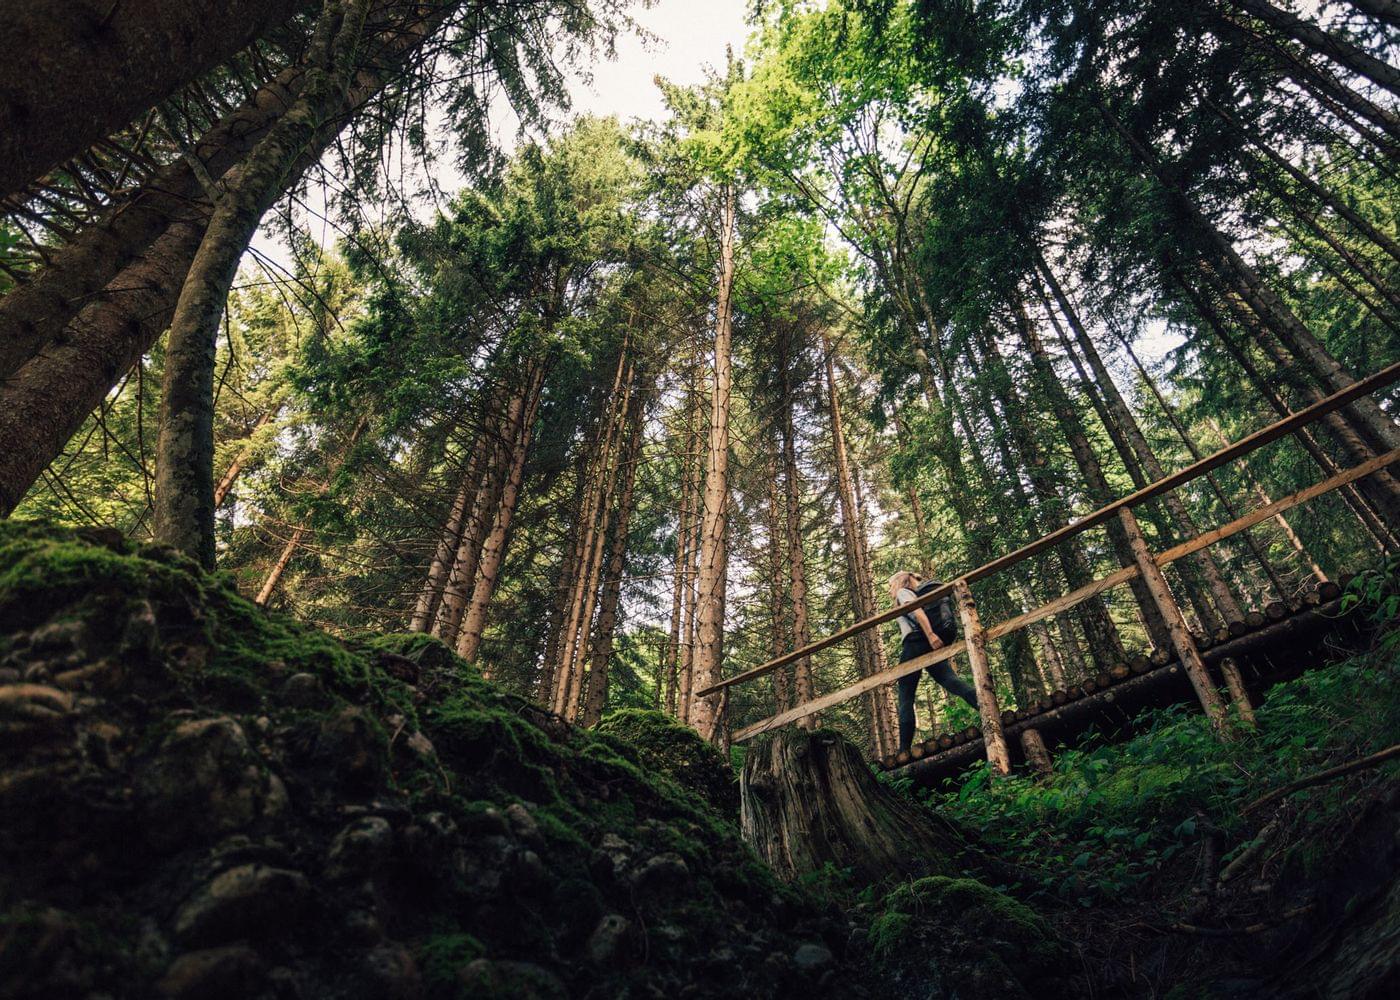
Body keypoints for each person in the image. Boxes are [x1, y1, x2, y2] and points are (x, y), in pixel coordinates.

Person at [889, 570, 978, 754]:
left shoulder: (903, 593)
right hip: (926, 643)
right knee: (950, 681)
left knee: (905, 696)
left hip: (914, 644)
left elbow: (917, 612)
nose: (890, 590)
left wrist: (930, 635)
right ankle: (986, 710)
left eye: (890, 585)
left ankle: (903, 751)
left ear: (899, 581)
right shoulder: (916, 592)